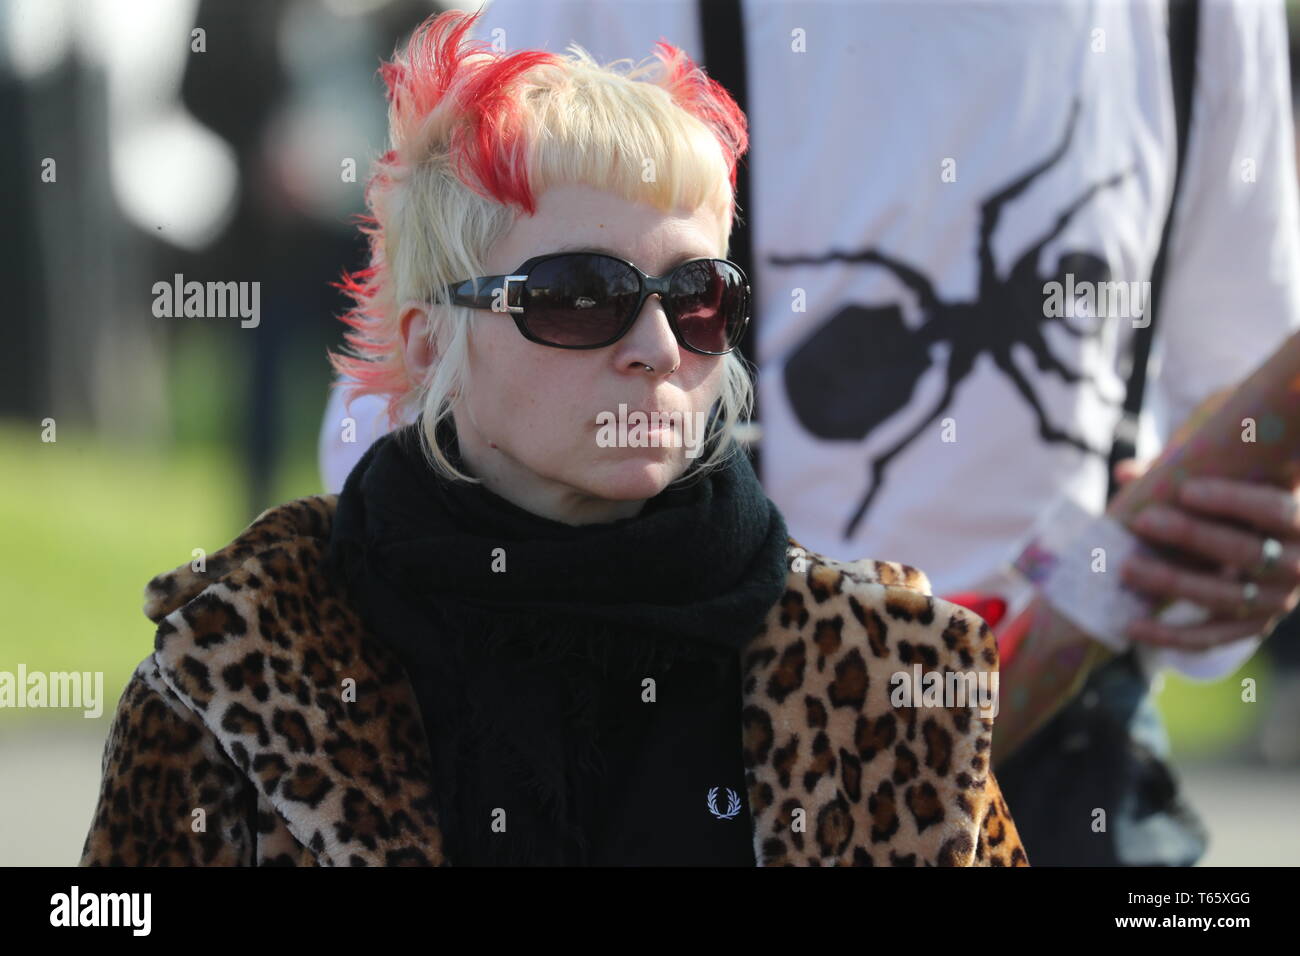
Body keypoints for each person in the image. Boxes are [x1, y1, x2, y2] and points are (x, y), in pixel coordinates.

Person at [318, 0, 1300, 866]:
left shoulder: (1200, 13)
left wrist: (1242, 543)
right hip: (710, 735)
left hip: (1061, 731)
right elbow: (407, 390)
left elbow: (1240, 384)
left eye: (701, 300)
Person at [79, 9, 1026, 867]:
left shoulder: (887, 679)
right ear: (433, 338)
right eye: (582, 296)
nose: (656, 349)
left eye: (699, 299)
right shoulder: (237, 661)